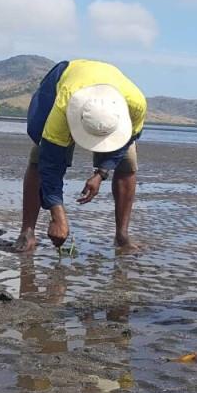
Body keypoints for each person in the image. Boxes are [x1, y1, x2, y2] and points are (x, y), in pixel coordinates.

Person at [13, 59, 147, 254]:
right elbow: (51, 165)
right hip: (64, 82)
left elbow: (127, 140)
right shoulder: (63, 105)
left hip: (110, 88)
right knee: (38, 157)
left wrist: (101, 173)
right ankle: (27, 231)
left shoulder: (136, 105)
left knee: (128, 163)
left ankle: (122, 235)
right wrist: (58, 215)